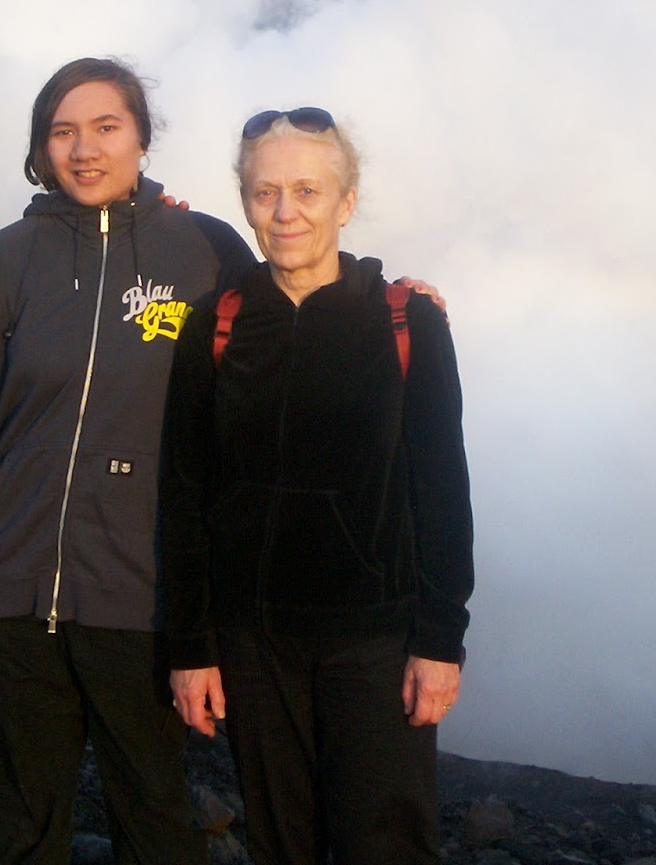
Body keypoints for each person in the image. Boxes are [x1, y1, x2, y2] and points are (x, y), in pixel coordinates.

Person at [0, 58, 256, 865]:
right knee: (24, 822)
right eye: (63, 131)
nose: (85, 149)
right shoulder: (6, 259)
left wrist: (388, 292)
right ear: (40, 148)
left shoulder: (201, 253)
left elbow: (294, 328)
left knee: (156, 816)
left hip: (140, 596)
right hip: (10, 594)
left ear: (142, 137)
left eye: (106, 127)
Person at [160, 107, 474, 865]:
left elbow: (441, 488)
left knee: (389, 847)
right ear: (245, 202)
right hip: (254, 643)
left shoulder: (405, 320)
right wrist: (191, 647)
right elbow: (186, 496)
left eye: (306, 190)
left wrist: (440, 641)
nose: (285, 212)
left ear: (346, 200)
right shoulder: (216, 326)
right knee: (280, 847)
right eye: (265, 192)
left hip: (376, 642)